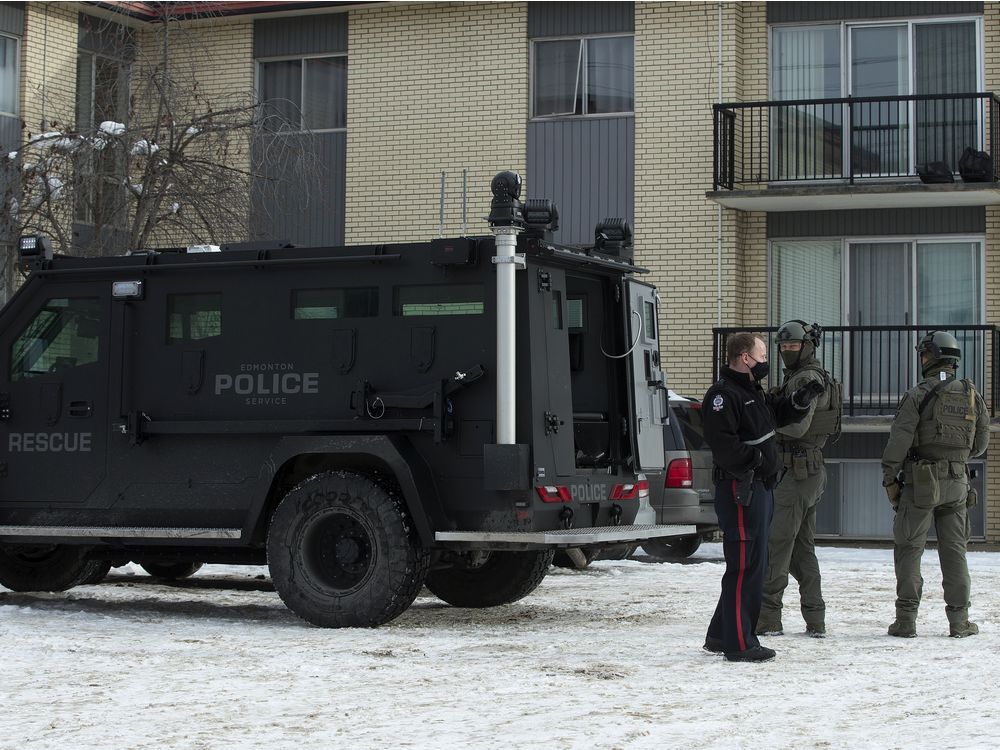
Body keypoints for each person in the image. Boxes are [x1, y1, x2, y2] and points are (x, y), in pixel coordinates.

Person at [702, 332, 824, 662]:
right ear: (745, 358)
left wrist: (800, 401)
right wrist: (756, 461)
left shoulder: (751, 391)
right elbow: (724, 446)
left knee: (754, 563)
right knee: (745, 566)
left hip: (761, 488)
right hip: (741, 490)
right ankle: (740, 644)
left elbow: (777, 413)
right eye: (762, 355)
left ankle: (720, 635)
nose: (766, 360)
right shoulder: (723, 395)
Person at [881, 330, 989, 638]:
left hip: (920, 483)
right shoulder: (972, 394)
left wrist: (890, 477)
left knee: (909, 550)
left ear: (930, 357)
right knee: (955, 553)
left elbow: (899, 442)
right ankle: (960, 621)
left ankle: (906, 621)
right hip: (957, 482)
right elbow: (980, 444)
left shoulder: (917, 395)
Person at [757, 321, 841, 638]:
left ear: (807, 346)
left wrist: (762, 418)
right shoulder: (807, 376)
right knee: (801, 550)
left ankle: (768, 618)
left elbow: (797, 427)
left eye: (792, 346)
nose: (786, 351)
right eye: (782, 346)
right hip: (805, 469)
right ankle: (815, 619)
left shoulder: (806, 379)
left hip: (797, 469)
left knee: (777, 545)